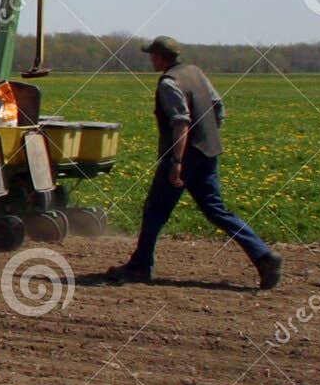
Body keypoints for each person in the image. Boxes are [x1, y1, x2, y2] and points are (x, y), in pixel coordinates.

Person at [106, 36, 282, 289]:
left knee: (155, 211)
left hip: (183, 156)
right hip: (207, 152)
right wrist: (206, 137)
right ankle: (264, 256)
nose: (151, 60)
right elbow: (218, 108)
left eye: (153, 56)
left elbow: (180, 122)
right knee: (216, 211)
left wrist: (177, 161)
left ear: (161, 57)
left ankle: (139, 267)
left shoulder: (169, 82)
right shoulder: (195, 72)